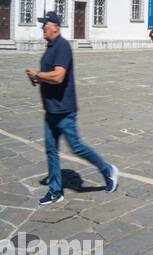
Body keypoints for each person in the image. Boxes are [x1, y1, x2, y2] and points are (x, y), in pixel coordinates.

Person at [26, 12, 119, 206]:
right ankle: (55, 191)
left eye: (45, 25)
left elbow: (58, 76)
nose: (42, 28)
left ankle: (107, 169)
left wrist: (38, 74)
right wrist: (36, 77)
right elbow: (48, 76)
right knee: (51, 151)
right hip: (51, 110)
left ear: (56, 27)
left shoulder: (62, 47)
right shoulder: (50, 47)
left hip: (64, 110)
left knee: (76, 147)